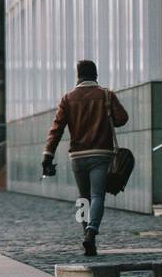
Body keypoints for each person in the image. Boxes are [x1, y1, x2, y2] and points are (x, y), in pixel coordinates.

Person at [42, 59, 129, 256]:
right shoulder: (106, 95)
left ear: (78, 75)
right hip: (101, 154)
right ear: (95, 74)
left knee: (84, 198)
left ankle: (86, 236)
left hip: (78, 156)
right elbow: (122, 119)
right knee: (98, 195)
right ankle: (91, 233)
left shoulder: (68, 98)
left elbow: (56, 130)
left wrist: (48, 155)